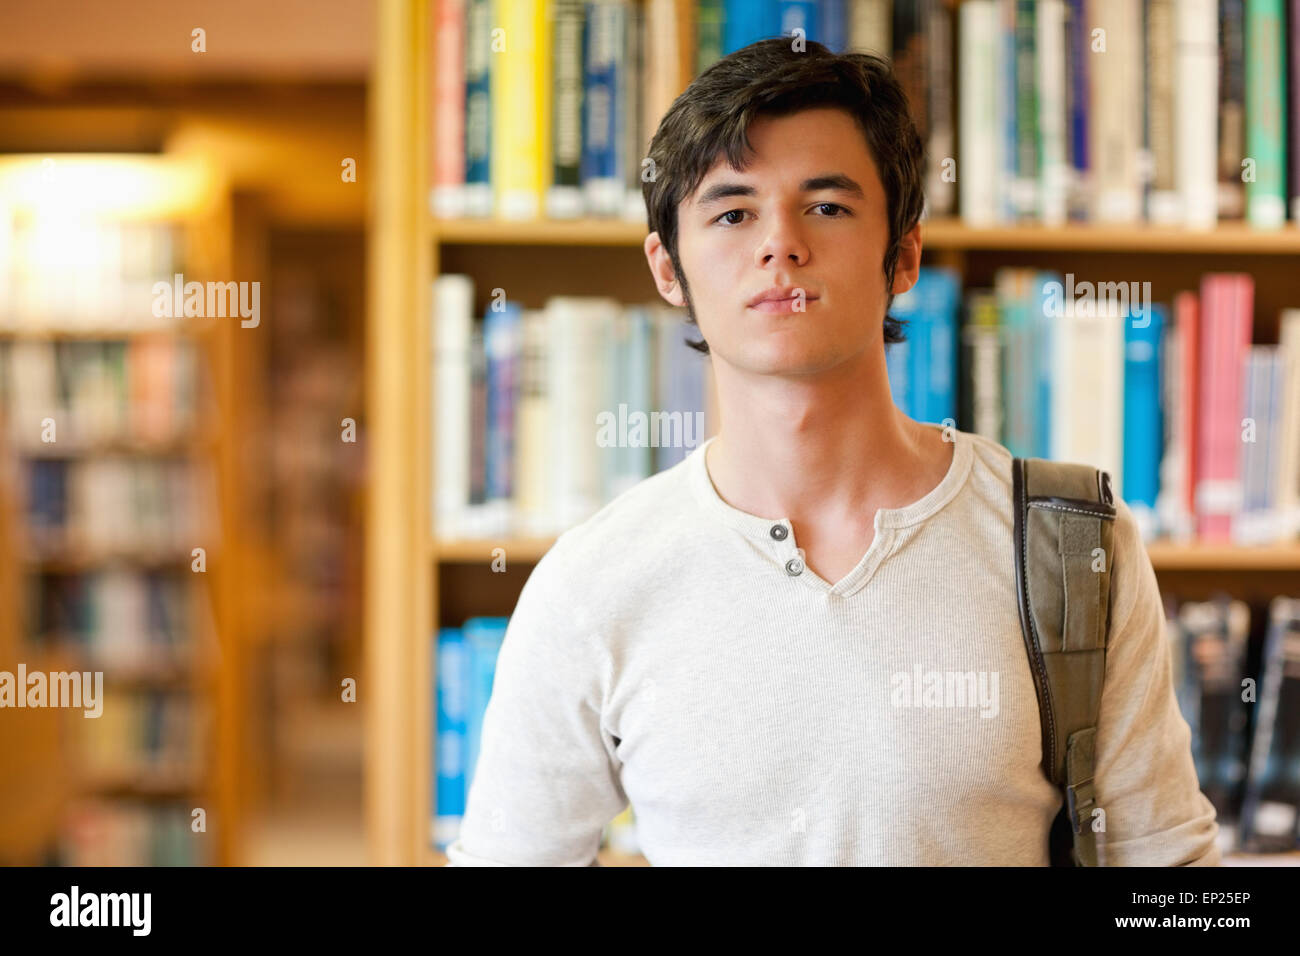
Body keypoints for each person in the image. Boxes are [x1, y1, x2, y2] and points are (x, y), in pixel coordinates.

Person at [445, 37, 1219, 866]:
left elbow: (1171, 875)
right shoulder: (593, 582)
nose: (780, 244)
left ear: (906, 255)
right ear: (668, 268)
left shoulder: (1072, 546)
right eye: (732, 212)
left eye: (826, 206)